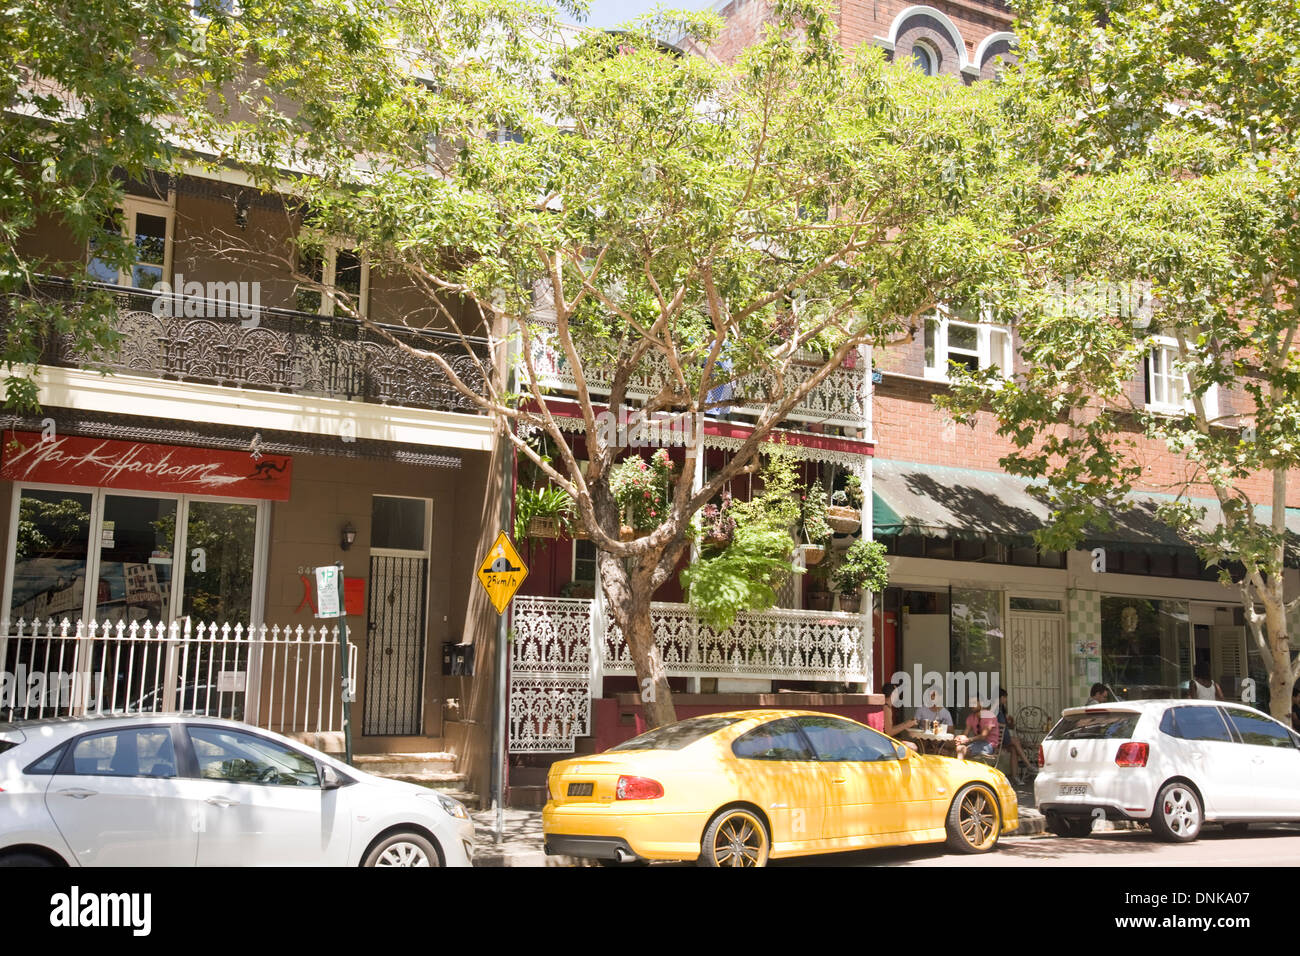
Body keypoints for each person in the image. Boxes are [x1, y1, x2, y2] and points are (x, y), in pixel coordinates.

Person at [996, 687, 1034, 783]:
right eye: (1004, 697)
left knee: (1014, 749)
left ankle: (1015, 777)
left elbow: (1010, 726)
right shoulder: (994, 710)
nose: (1006, 699)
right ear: (1000, 697)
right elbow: (992, 723)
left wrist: (1010, 721)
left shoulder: (1002, 710)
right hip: (997, 738)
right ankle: (1029, 765)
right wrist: (1002, 724)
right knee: (1016, 741)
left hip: (1004, 737)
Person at [881, 682, 918, 751]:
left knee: (912, 744)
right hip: (883, 742)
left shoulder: (887, 706)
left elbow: (889, 729)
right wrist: (906, 725)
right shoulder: (886, 708)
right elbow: (889, 732)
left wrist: (906, 723)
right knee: (913, 747)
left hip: (884, 739)